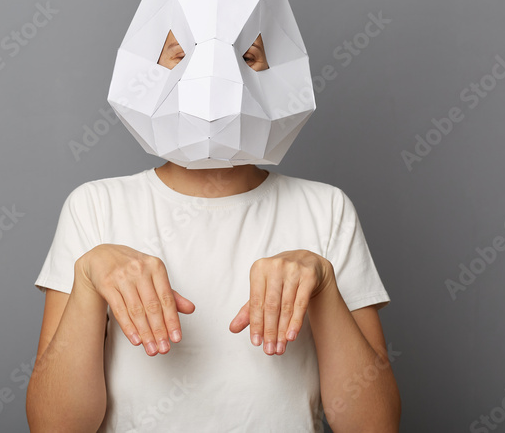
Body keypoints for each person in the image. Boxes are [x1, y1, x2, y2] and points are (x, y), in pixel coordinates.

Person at [25, 31, 401, 432]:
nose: (212, 78)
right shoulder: (95, 207)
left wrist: (323, 287)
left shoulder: (326, 209)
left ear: (274, 75)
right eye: (182, 55)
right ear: (152, 72)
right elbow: (55, 427)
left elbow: (374, 427)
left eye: (247, 57)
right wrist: (86, 278)